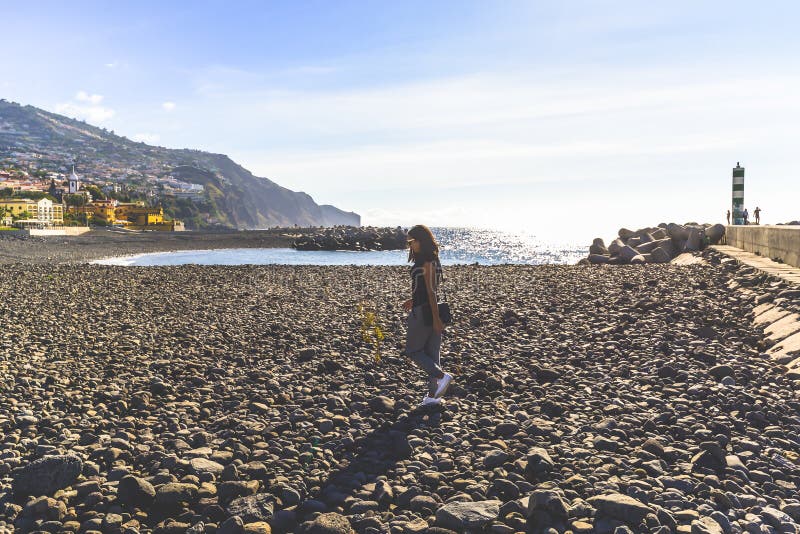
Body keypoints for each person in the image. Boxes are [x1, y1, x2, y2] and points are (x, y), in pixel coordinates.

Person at [402, 225, 453, 406]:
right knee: (432, 355)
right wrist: (412, 299)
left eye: (411, 241)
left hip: (425, 312)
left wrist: (437, 320)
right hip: (425, 306)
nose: (410, 245)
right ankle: (433, 397)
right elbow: (424, 289)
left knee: (413, 351)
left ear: (420, 240)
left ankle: (442, 376)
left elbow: (431, 292)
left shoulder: (428, 261)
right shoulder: (430, 259)